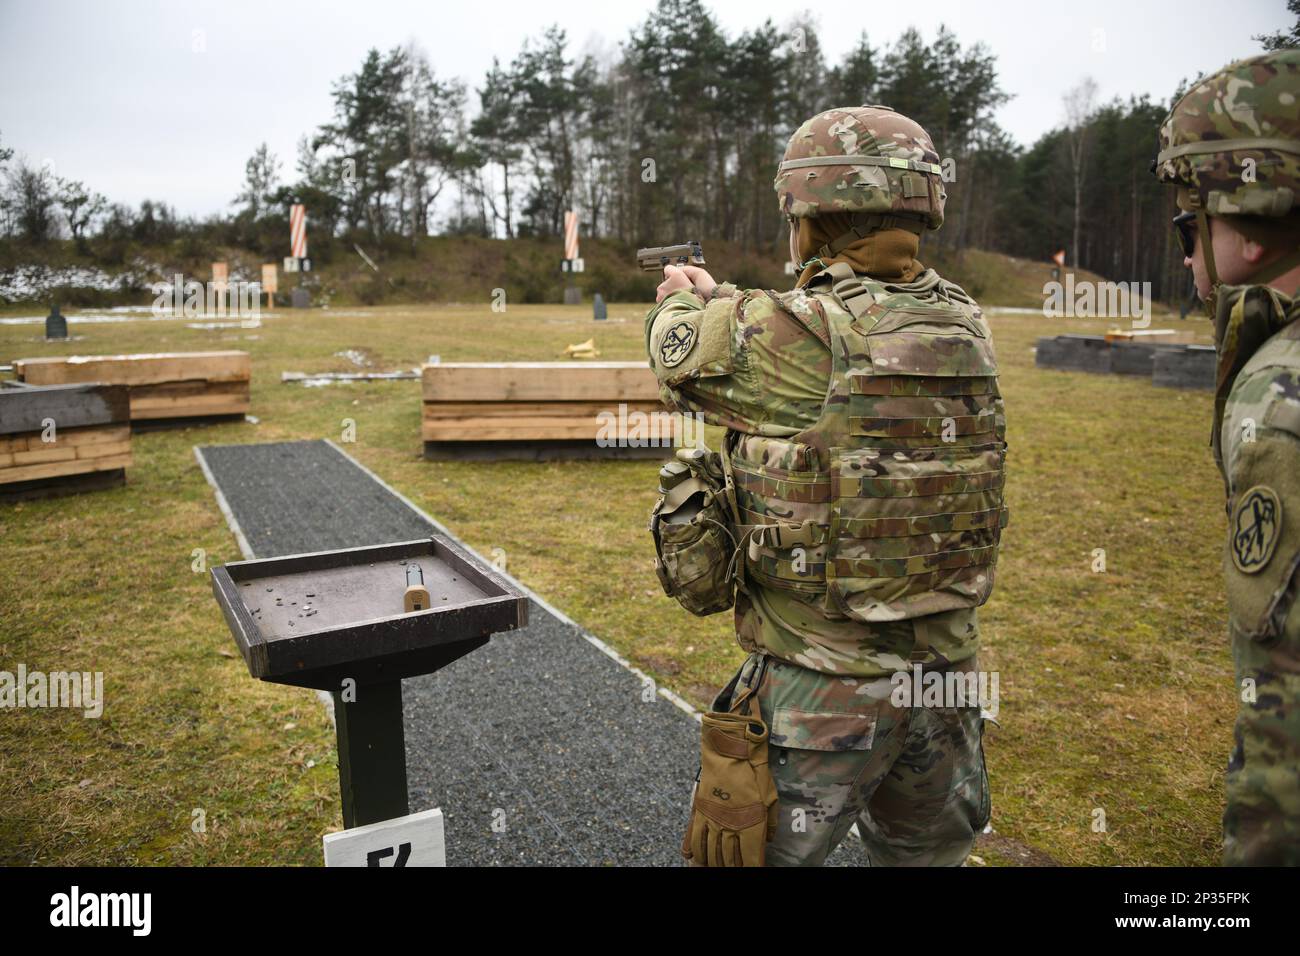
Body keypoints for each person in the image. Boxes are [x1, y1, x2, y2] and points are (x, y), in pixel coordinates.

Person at [646, 105, 1007, 866]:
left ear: (815, 217)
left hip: (825, 693)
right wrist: (727, 302)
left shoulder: (804, 331)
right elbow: (810, 341)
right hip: (946, 681)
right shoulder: (963, 321)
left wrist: (682, 299)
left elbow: (681, 359)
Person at [1153, 48, 1300, 866]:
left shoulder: (1279, 402)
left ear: (1249, 213)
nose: (1184, 251)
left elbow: (1286, 738)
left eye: (1189, 223)